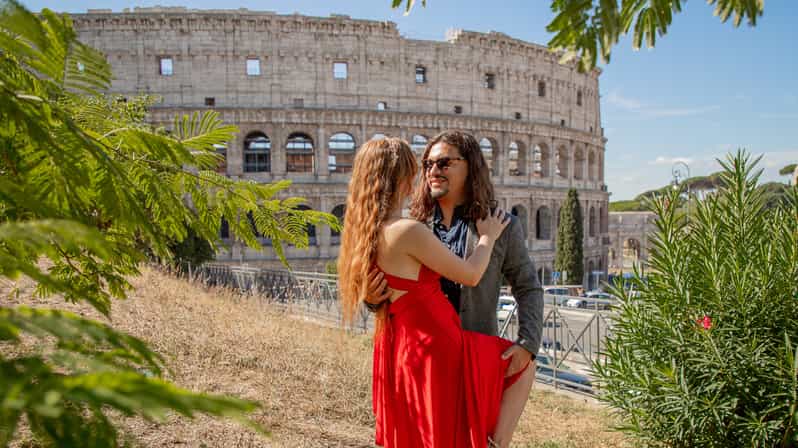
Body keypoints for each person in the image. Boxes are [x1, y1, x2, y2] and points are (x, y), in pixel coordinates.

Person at [338, 137, 532, 448]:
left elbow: (527, 285)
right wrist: (487, 238)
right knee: (443, 431)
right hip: (438, 345)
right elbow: (469, 274)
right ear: (401, 178)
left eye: (442, 163)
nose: (427, 174)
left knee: (425, 433)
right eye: (423, 167)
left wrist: (528, 341)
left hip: (405, 344)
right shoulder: (412, 228)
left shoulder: (364, 234)